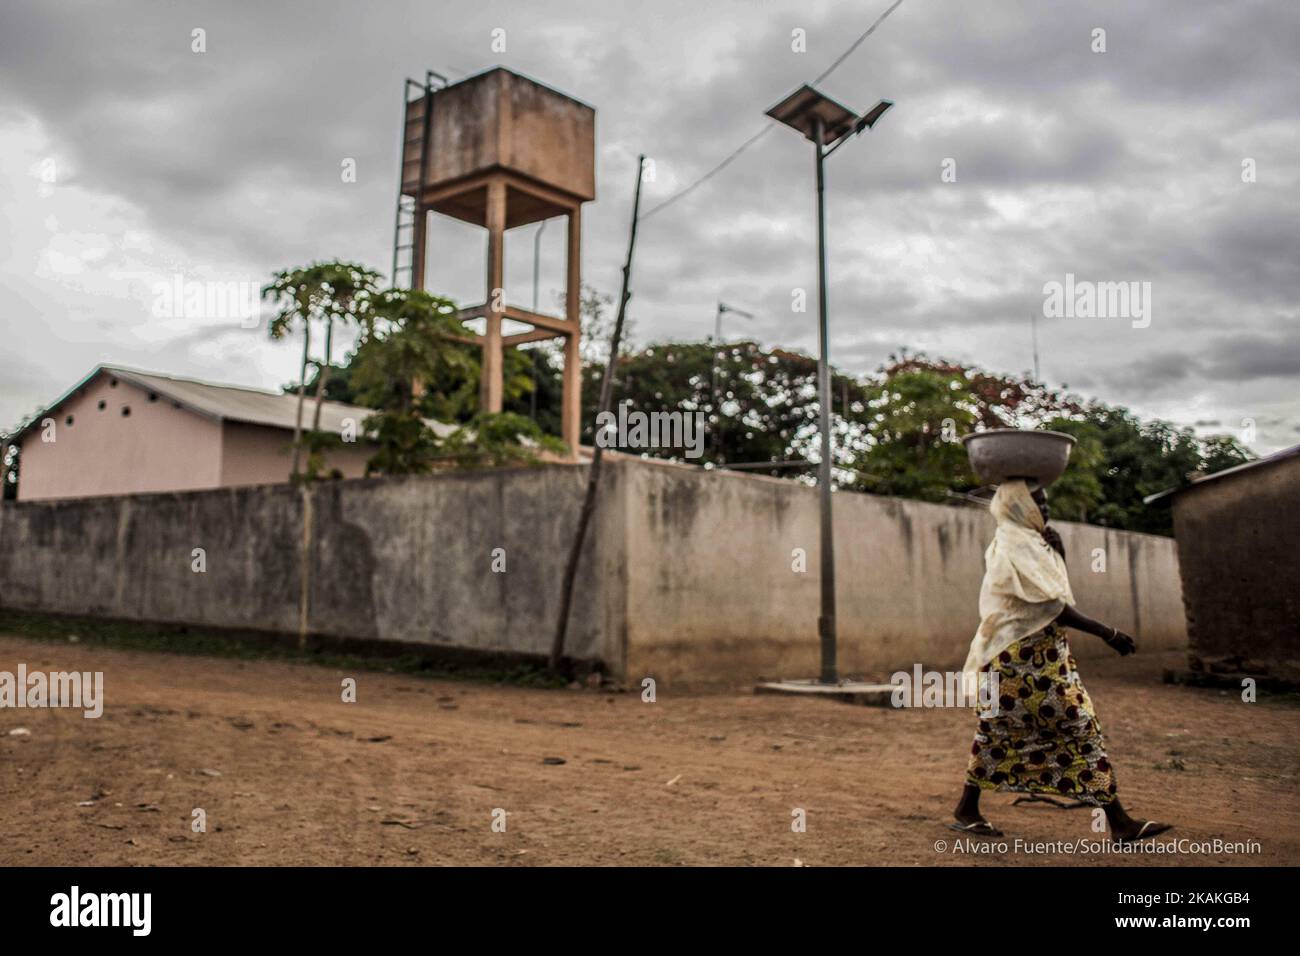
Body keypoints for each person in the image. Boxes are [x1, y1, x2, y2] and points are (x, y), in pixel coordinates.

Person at [950, 479, 1172, 842]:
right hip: (1021, 663)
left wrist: (1060, 553)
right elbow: (1052, 608)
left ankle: (967, 808)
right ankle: (1119, 822)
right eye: (1039, 503)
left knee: (999, 733)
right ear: (1021, 508)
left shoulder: (1029, 543)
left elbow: (1054, 591)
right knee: (1076, 726)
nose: (1047, 510)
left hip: (1036, 661)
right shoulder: (1015, 544)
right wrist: (1108, 632)